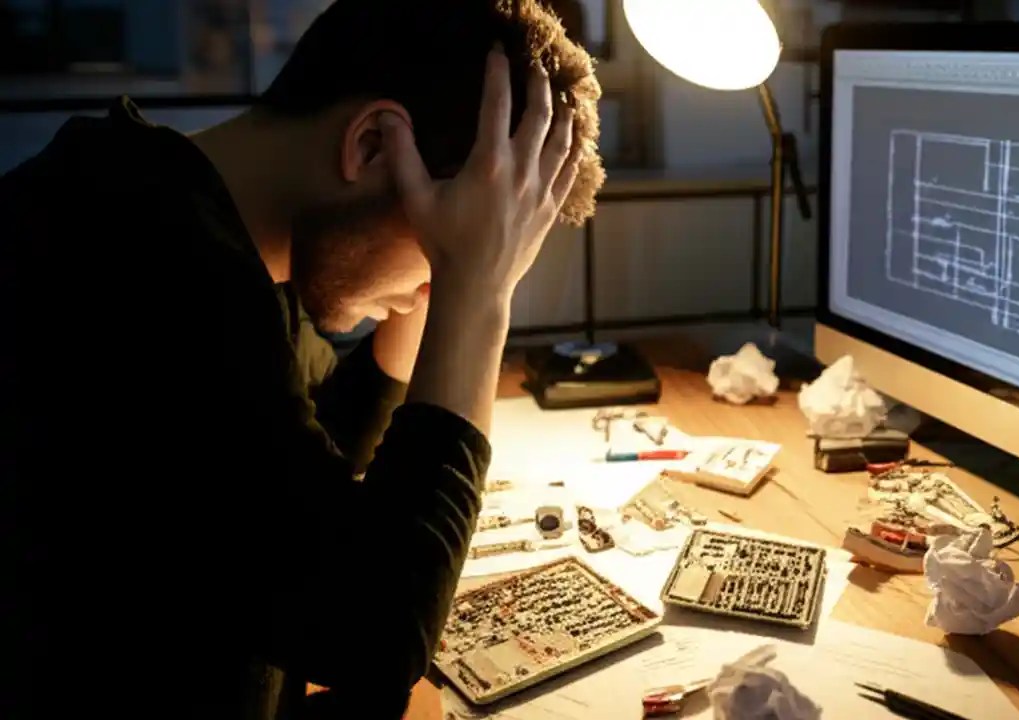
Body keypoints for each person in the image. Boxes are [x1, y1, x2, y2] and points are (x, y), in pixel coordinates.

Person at [0, 1, 603, 718]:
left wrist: (441, 292)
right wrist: (475, 292)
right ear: (373, 146)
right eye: (450, 247)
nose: (431, 291)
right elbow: (373, 633)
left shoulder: (177, 212)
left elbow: (296, 466)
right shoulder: (131, 264)